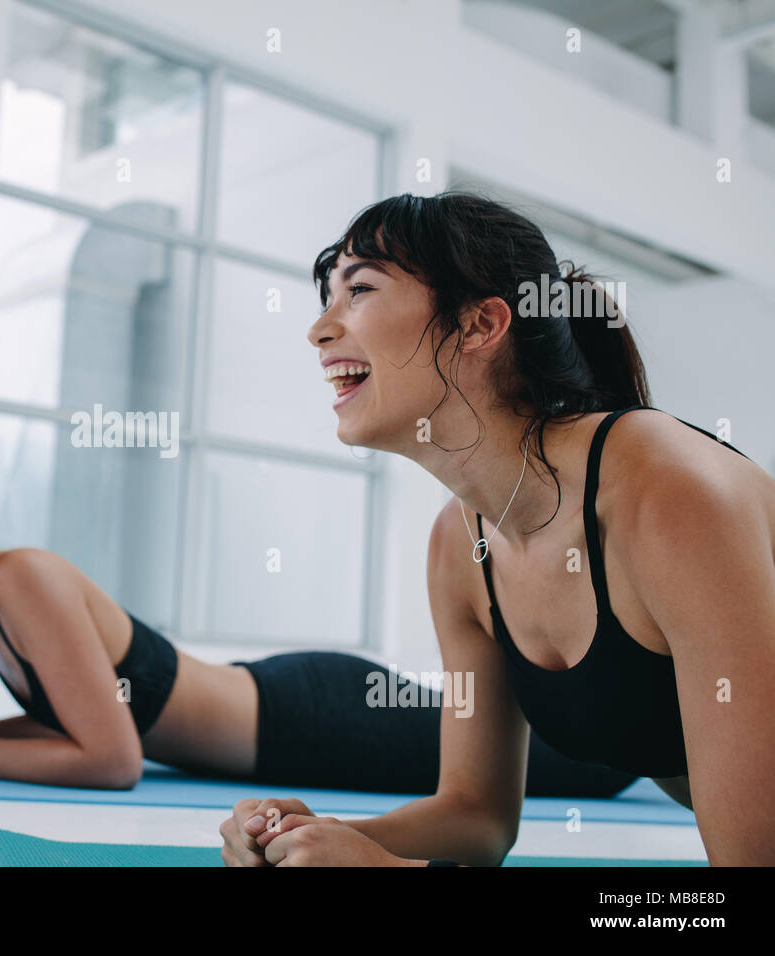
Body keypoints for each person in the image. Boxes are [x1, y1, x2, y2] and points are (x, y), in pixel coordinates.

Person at [219, 191, 775, 866]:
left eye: (359, 288)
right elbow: (476, 816)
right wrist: (313, 839)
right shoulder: (460, 547)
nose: (319, 330)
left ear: (481, 324)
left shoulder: (670, 496)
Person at [0, 424, 635, 797]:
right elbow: (79, 727)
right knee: (535, 753)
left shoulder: (22, 581)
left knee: (578, 767)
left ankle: (663, 709)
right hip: (284, 715)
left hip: (316, 719)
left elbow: (112, 759)